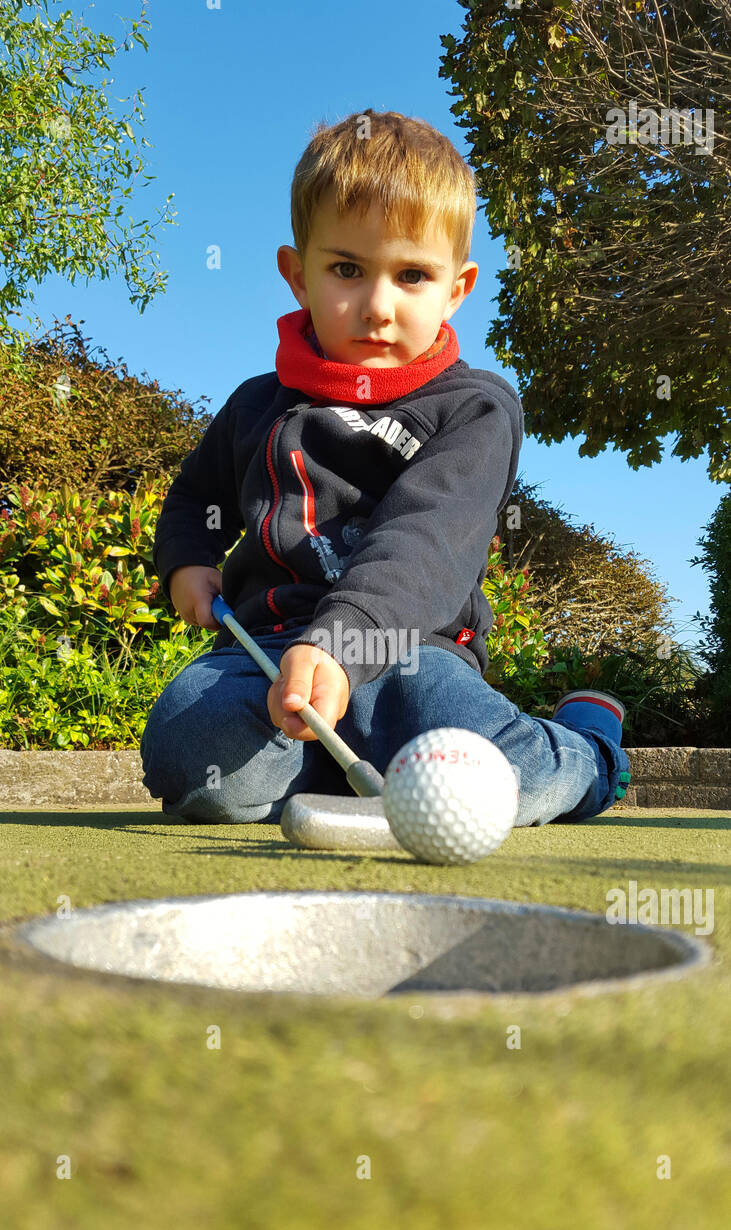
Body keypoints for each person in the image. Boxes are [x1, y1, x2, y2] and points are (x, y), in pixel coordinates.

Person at [140, 108, 631, 827]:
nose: (377, 306)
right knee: (187, 745)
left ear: (455, 288)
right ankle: (325, 766)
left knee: (499, 781)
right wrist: (185, 560)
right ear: (296, 275)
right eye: (346, 269)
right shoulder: (255, 406)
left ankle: (587, 748)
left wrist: (338, 647)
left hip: (411, 654)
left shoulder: (474, 410)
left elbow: (423, 545)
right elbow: (193, 500)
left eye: (411, 275)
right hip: (266, 655)